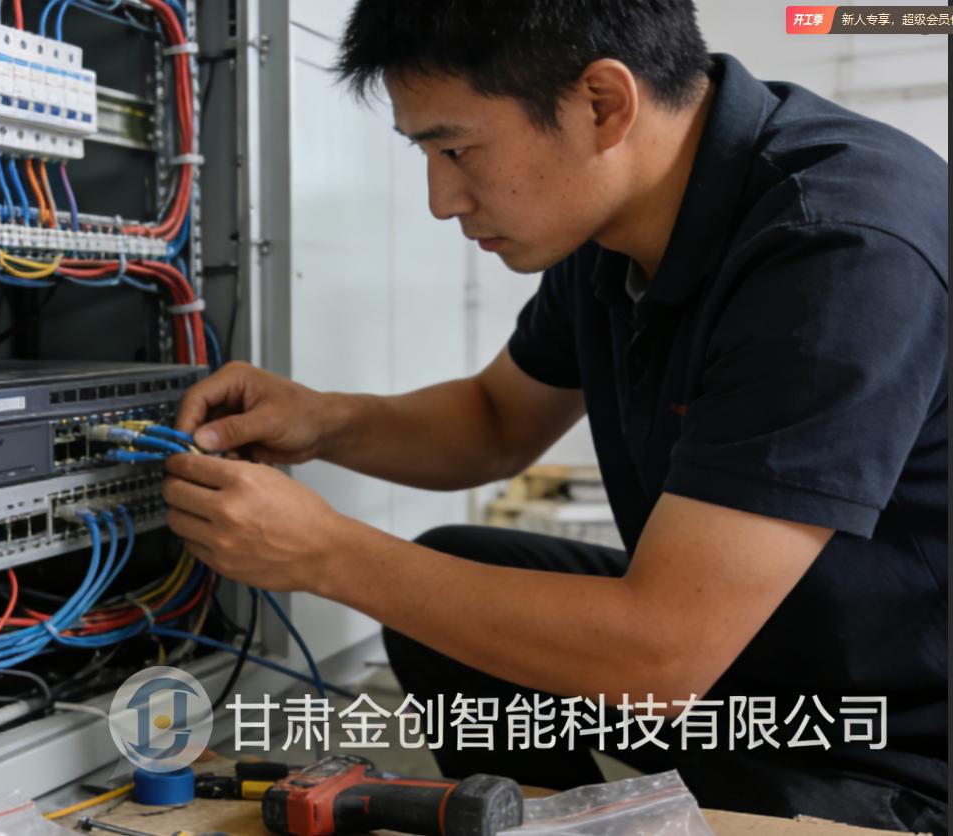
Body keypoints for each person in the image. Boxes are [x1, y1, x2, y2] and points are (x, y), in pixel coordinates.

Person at [159, 1, 947, 830]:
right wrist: (323, 420)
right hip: (740, 667)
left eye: (456, 149)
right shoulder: (618, 223)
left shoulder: (840, 248)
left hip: (887, 740)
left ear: (603, 105)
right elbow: (496, 420)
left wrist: (325, 554)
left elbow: (661, 656)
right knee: (447, 582)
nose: (441, 199)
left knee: (424, 588)